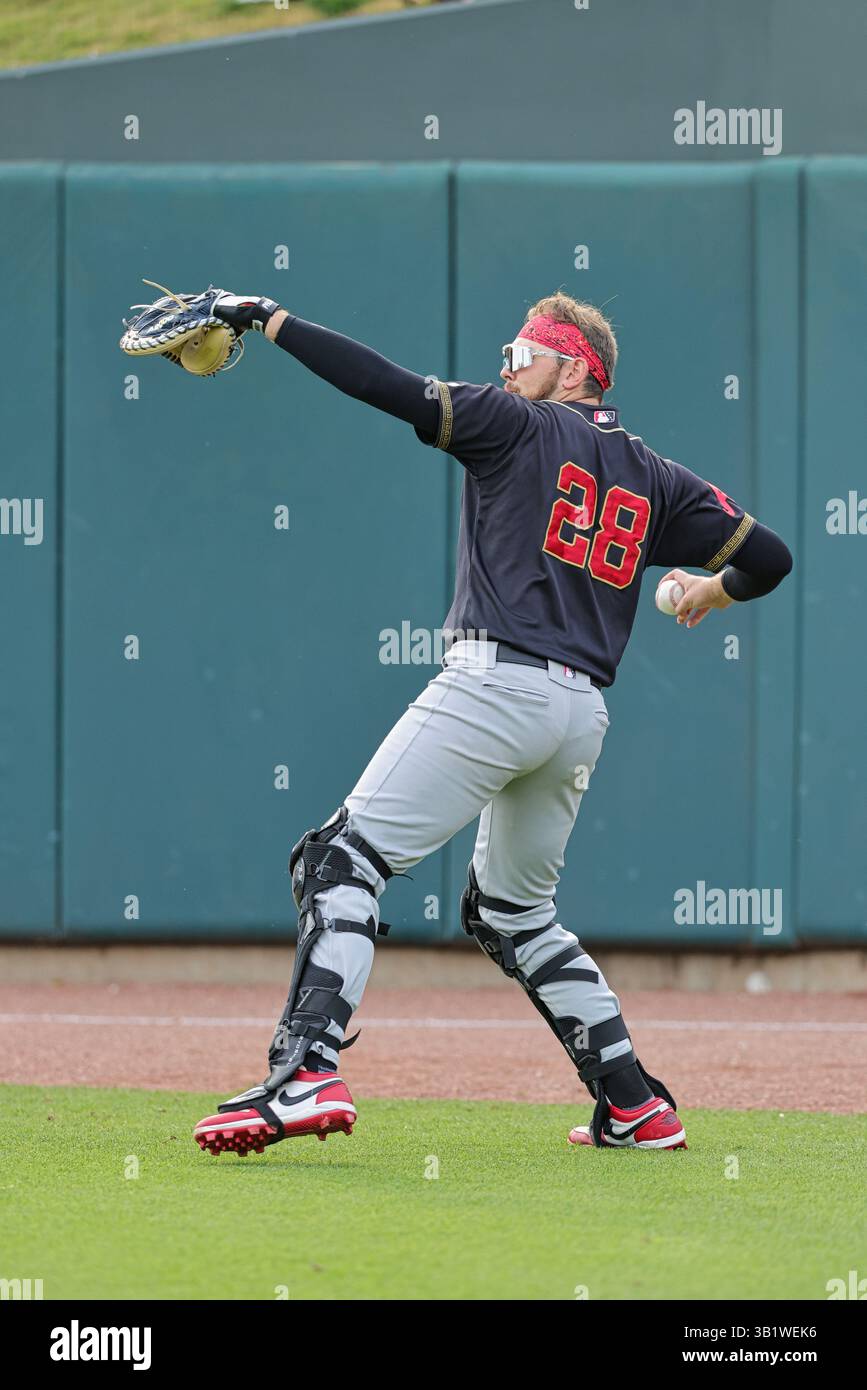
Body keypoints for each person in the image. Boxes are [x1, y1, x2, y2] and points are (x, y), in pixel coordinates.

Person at [192, 290, 792, 1156]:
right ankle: (633, 1104)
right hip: (578, 715)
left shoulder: (515, 428)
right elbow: (767, 558)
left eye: (523, 353)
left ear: (576, 367)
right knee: (514, 914)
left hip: (494, 686)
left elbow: (385, 385)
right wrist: (704, 590)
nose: (508, 368)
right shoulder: (658, 478)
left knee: (337, 861)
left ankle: (305, 1071)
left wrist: (270, 318)